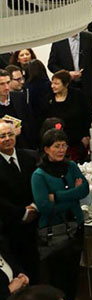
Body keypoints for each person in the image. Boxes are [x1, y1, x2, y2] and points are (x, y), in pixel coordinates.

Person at [31, 130, 89, 300]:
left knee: (73, 275)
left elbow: (84, 190)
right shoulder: (39, 175)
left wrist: (56, 196)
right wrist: (73, 196)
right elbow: (44, 207)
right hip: (54, 233)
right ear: (47, 149)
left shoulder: (71, 166)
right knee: (57, 278)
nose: (61, 150)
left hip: (75, 228)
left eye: (64, 145)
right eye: (57, 146)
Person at [0, 118, 40, 280]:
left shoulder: (28, 157)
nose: (8, 139)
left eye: (10, 134)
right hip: (8, 225)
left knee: (35, 266)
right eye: (2, 136)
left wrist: (34, 206)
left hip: (34, 222)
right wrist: (22, 213)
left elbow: (38, 185)